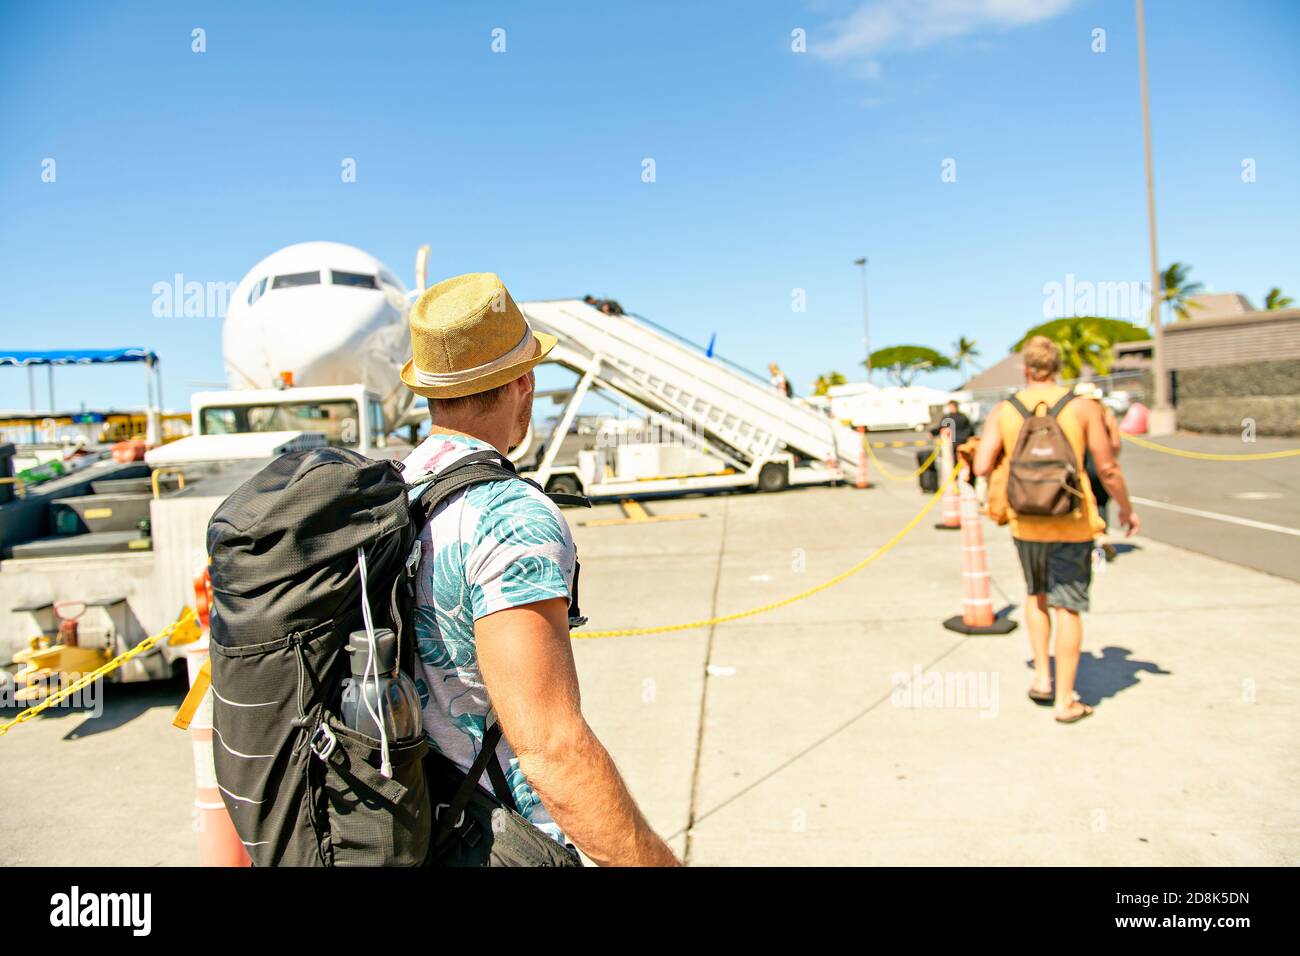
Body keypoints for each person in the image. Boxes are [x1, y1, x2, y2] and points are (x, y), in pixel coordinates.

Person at [398, 272, 679, 865]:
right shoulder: (510, 516)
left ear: (430, 392)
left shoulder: (393, 495)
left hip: (412, 828)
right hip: (500, 840)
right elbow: (550, 745)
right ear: (523, 381)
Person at [972, 336, 1139, 724]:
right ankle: (1066, 700)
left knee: (1036, 596)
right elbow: (1108, 467)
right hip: (1072, 521)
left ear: (1025, 369)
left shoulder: (1005, 409)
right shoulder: (1082, 408)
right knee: (1069, 607)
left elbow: (981, 466)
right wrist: (1127, 511)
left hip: (1025, 520)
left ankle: (1043, 679)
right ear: (1059, 366)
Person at [1074, 382, 1122, 561]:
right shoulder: (1104, 413)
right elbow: (1115, 443)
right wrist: (1111, 458)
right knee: (1101, 502)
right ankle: (1101, 541)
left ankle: (1091, 542)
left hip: (1082, 463)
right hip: (1101, 461)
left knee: (1085, 503)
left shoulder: (1073, 413)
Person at [930, 400, 974, 484]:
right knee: (965, 461)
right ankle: (966, 477)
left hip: (954, 442)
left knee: (955, 461)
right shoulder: (963, 416)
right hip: (963, 442)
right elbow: (971, 429)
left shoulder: (948, 417)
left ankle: (956, 478)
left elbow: (940, 427)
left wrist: (932, 432)